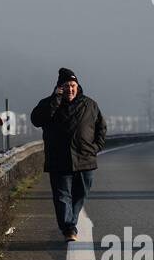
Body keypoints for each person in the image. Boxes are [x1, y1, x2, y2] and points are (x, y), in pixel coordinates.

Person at [30, 68, 107, 242]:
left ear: (78, 86)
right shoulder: (49, 103)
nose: (70, 89)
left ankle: (70, 221)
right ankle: (69, 228)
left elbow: (101, 127)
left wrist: (96, 147)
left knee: (81, 194)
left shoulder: (90, 104)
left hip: (85, 160)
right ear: (59, 88)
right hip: (59, 160)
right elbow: (36, 120)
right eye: (66, 86)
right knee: (62, 196)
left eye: (73, 85)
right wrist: (55, 99)